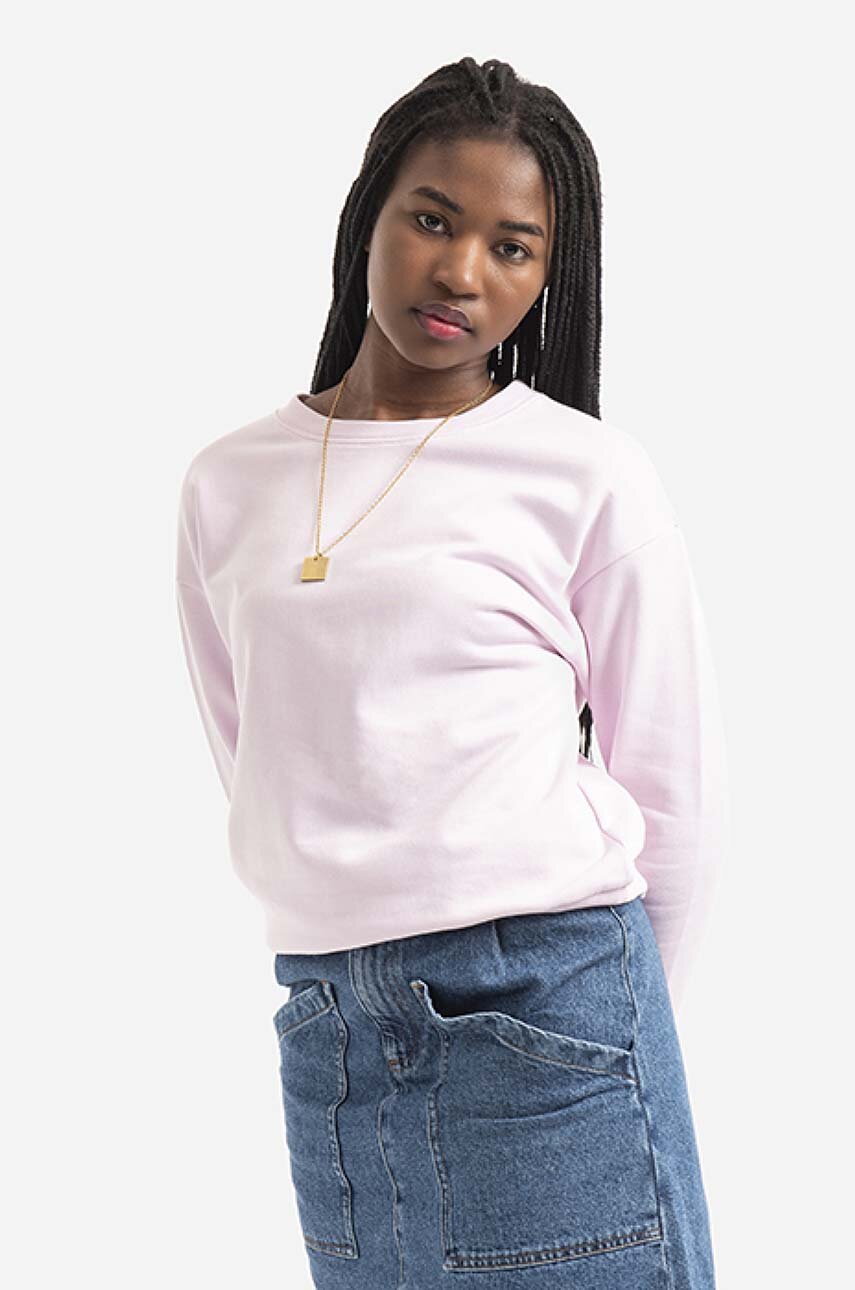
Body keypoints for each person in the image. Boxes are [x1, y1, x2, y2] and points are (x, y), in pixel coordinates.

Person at [175, 56, 729, 1290]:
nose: (463, 271)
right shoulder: (228, 483)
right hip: (330, 1029)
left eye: (513, 247)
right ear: (368, 213)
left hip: (551, 1006)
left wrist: (616, 1037)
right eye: (433, 219)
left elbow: (674, 796)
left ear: (547, 276)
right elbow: (255, 750)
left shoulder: (585, 473)